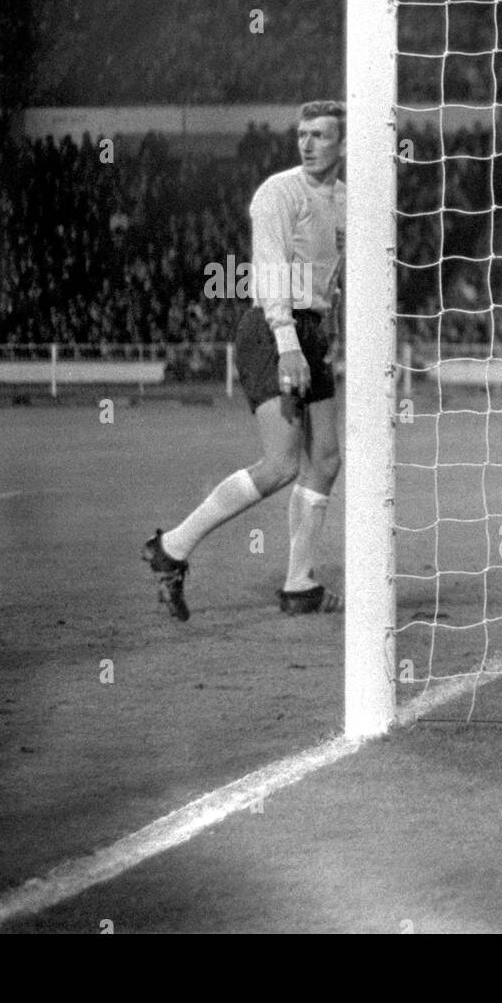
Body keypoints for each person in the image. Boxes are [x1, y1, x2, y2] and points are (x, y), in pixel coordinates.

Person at [142, 100, 346, 621]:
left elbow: (330, 276)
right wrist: (288, 343)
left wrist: (328, 333)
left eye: (320, 135)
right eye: (302, 134)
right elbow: (272, 270)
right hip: (274, 328)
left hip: (313, 330)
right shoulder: (278, 191)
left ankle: (299, 585)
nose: (307, 143)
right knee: (281, 464)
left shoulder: (346, 200)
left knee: (324, 460)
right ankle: (173, 548)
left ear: (343, 143)